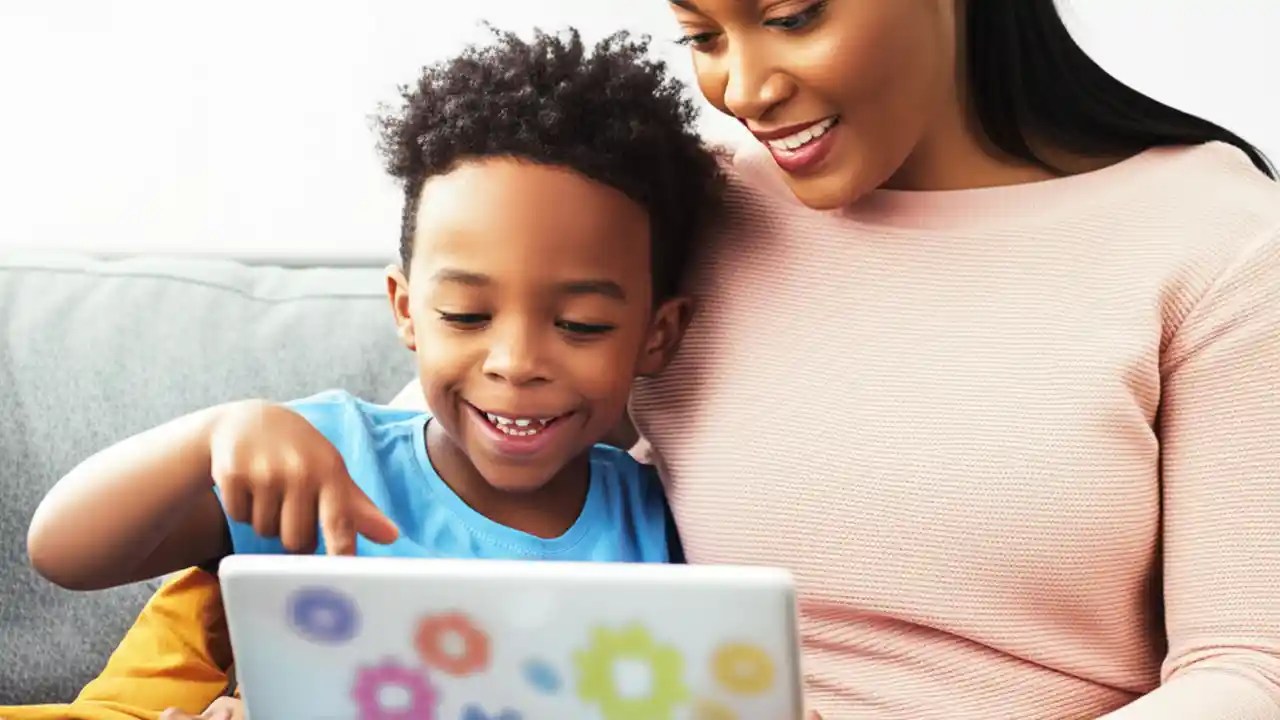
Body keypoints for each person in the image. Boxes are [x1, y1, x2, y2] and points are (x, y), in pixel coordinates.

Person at [12, 0, 1280, 717]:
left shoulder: (1209, 235)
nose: (743, 88)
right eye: (702, 32)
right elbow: (439, 478)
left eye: (787, 16)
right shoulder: (691, 204)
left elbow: (1244, 669)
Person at [11, 27, 718, 720]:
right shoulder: (328, 459)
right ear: (407, 310)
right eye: (468, 315)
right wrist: (216, 435)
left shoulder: (655, 523)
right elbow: (65, 551)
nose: (516, 364)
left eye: (581, 325)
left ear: (657, 337)